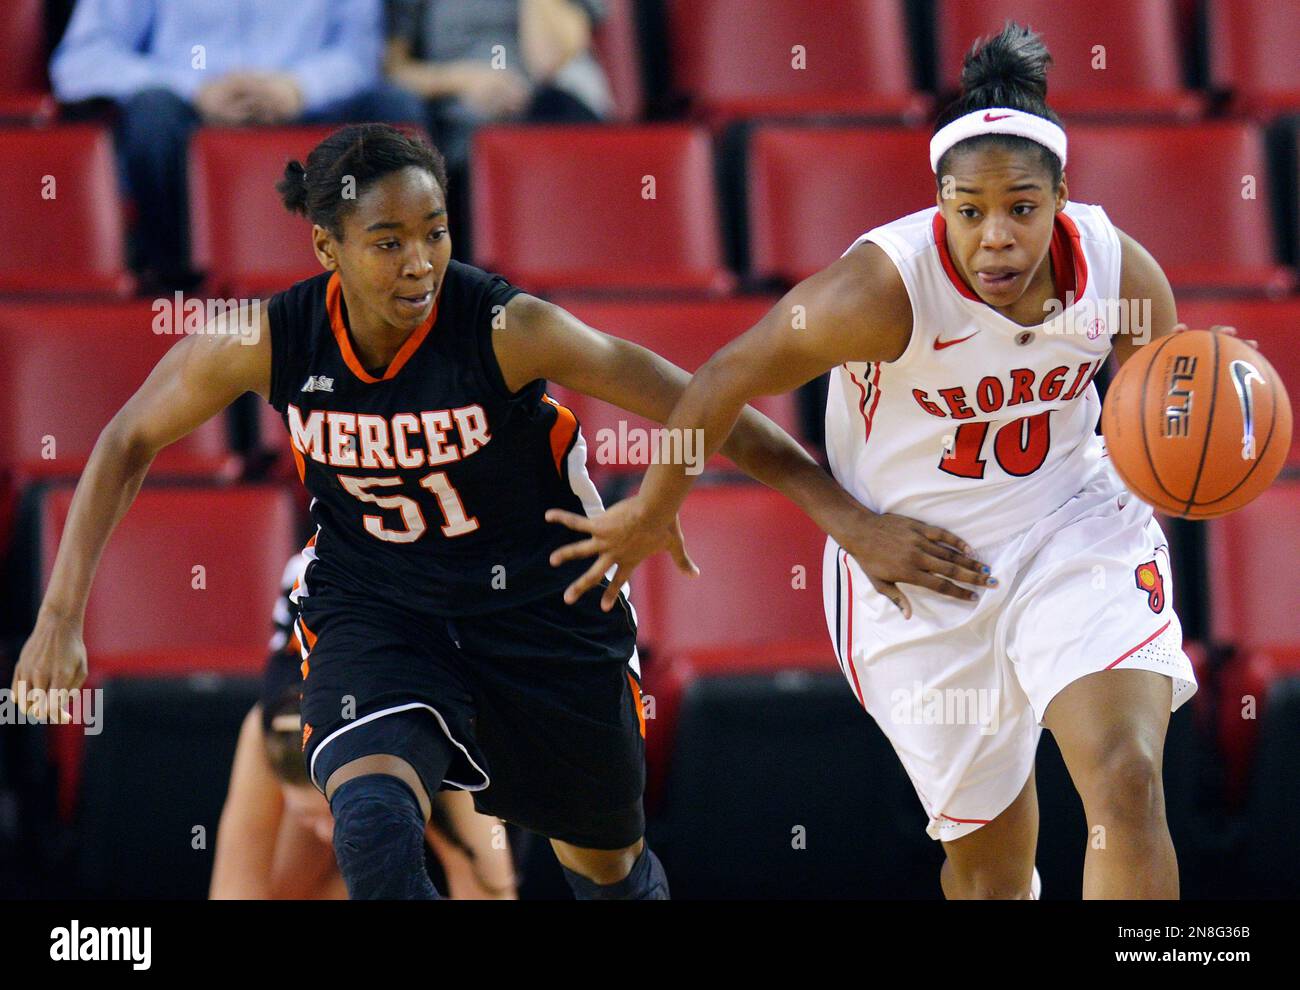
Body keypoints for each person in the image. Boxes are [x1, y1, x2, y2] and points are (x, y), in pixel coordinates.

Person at [14, 122, 890, 900]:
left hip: (543, 613)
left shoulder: (510, 329)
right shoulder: (272, 339)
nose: (420, 261)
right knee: (373, 830)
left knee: (607, 874)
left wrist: (839, 515)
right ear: (327, 247)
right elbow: (127, 439)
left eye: (434, 233)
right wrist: (60, 614)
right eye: (387, 241)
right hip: (382, 610)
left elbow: (699, 399)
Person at [546, 23, 1207, 900]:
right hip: (915, 567)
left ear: (1062, 198)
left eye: (1021, 207)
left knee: (1125, 781)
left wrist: (1188, 464)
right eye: (969, 211)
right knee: (992, 876)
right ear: (941, 204)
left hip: (1071, 527)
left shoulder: (1118, 272)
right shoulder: (882, 288)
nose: (996, 236)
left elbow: (1173, 415)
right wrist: (666, 504)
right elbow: (721, 381)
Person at [48, 0, 426, 292]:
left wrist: (299, 87)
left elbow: (360, 55)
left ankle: (388, 275)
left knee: (396, 112)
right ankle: (176, 284)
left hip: (305, 106)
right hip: (189, 110)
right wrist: (195, 88)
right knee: (152, 114)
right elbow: (81, 62)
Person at [209, 555, 517, 899]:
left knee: (381, 844)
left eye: (327, 816)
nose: (327, 833)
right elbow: (232, 890)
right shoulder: (266, 730)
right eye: (309, 817)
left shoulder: (435, 733)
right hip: (346, 678)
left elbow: (492, 890)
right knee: (309, 875)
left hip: (423, 726)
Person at [384, 0, 613, 170]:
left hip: (542, 111)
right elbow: (393, 71)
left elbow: (547, 60)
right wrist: (462, 80)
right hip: (457, 123)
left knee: (564, 115)